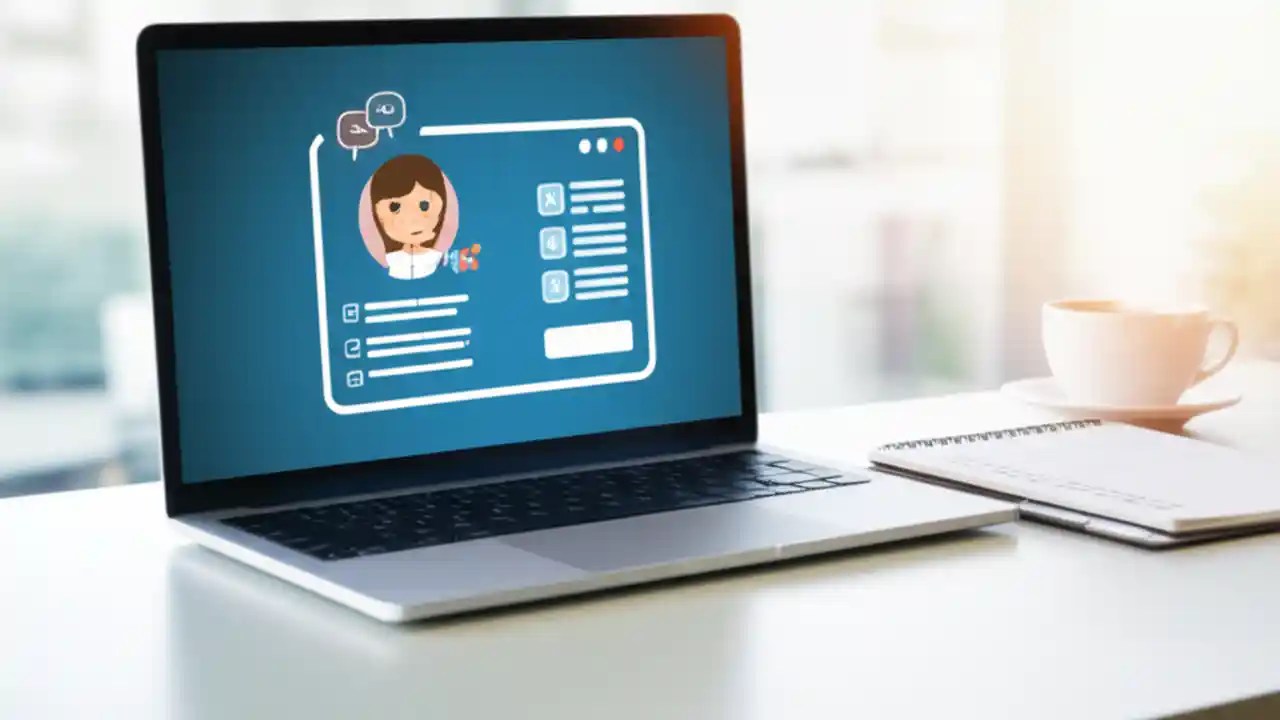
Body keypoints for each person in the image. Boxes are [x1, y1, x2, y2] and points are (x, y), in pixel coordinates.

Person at [369, 154, 451, 280]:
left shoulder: (436, 257)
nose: (412, 219)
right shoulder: (392, 259)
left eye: (424, 205)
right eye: (394, 207)